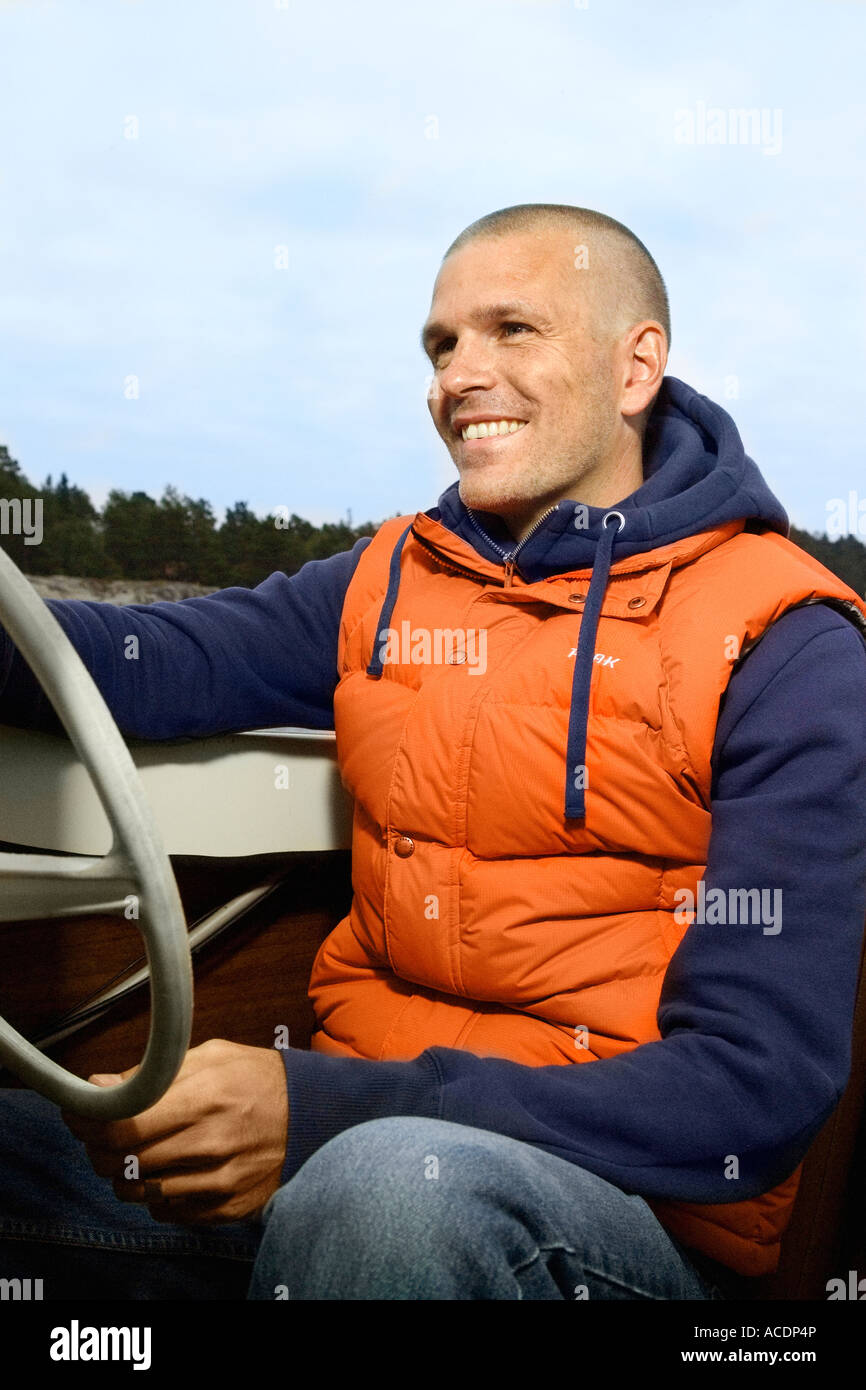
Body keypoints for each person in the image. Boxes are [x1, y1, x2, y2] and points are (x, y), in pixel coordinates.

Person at [1, 203, 865, 1301]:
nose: (460, 374)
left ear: (634, 365)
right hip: (335, 1169)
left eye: (512, 329)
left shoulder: (785, 639)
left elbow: (755, 1089)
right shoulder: (390, 579)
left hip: (619, 1225)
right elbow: (148, 660)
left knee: (389, 1194)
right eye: (440, 344)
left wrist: (325, 1113)